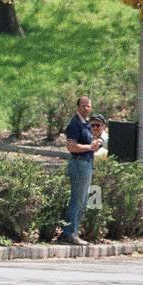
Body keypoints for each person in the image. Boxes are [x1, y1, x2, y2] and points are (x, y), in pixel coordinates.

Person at [61, 96, 101, 246]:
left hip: (87, 163)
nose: (86, 109)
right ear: (78, 107)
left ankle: (73, 231)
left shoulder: (86, 124)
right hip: (79, 164)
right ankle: (69, 233)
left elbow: (88, 143)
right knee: (77, 199)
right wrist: (90, 147)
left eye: (88, 106)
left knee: (83, 200)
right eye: (83, 106)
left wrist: (95, 144)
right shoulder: (75, 124)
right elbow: (71, 147)